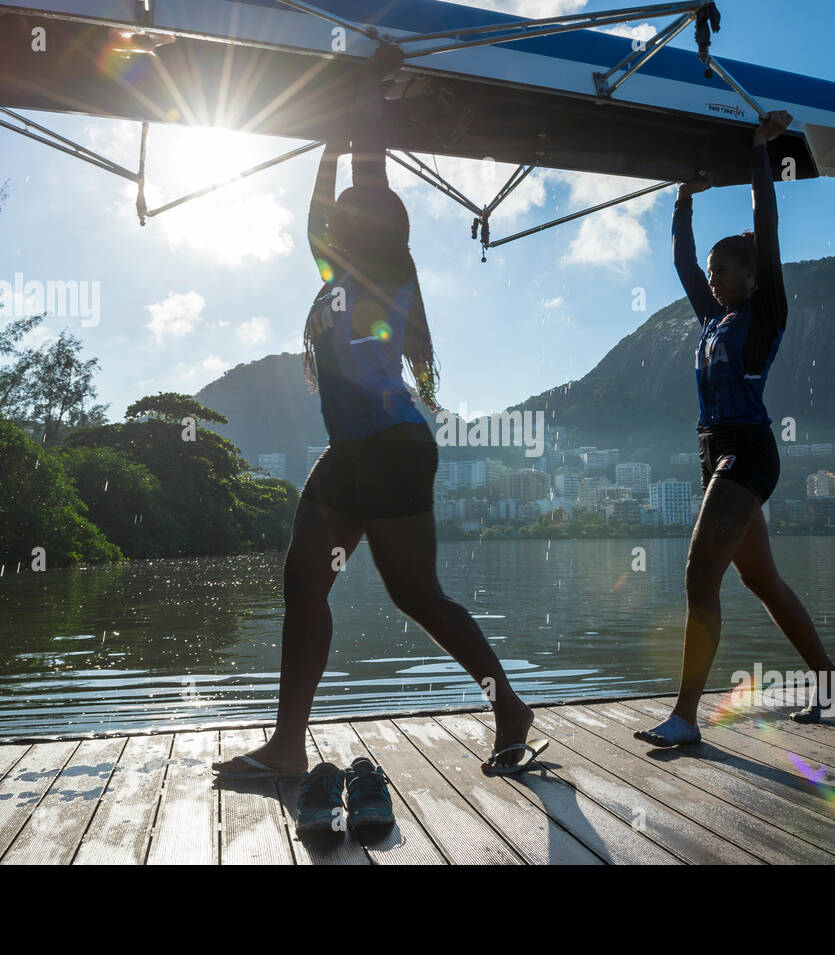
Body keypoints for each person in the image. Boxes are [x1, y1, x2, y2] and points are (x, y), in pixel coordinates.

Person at [212, 66, 542, 779]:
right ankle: (289, 743)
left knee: (415, 594)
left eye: (350, 215)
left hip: (391, 446)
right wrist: (331, 138)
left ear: (376, 227)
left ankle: (508, 704)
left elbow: (366, 174)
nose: (334, 223)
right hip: (347, 452)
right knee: (304, 581)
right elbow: (314, 215)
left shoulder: (389, 276)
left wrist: (362, 113)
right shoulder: (333, 275)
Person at [634, 111, 835, 747]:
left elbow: (767, 226)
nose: (713, 277)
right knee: (760, 580)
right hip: (715, 456)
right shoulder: (713, 320)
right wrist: (682, 201)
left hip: (747, 455)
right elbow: (680, 263)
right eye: (713, 271)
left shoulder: (765, 312)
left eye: (723, 270)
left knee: (700, 574)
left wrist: (758, 152)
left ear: (751, 276)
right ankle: (830, 680)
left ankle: (686, 718)